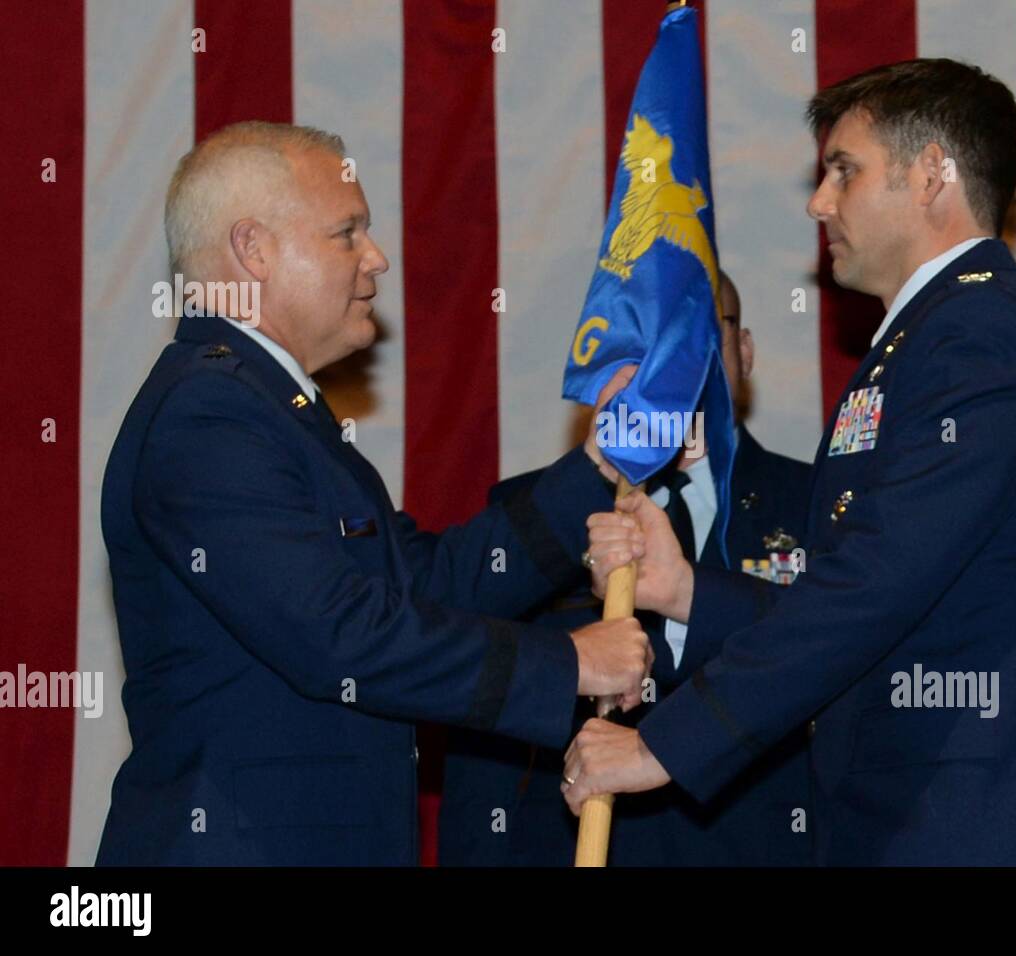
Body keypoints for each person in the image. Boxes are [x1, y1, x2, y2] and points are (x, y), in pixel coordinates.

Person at [563, 59, 1016, 865]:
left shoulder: (984, 334)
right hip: (911, 815)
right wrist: (690, 591)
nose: (819, 202)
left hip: (979, 822)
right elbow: (893, 605)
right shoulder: (929, 339)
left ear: (932, 174)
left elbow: (880, 580)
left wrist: (664, 745)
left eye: (845, 171)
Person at [96, 121, 651, 866]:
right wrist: (569, 664)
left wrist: (599, 464)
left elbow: (430, 585)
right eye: (346, 232)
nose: (376, 259)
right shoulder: (211, 412)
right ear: (253, 250)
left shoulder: (272, 409)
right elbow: (336, 634)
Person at [439, 273, 814, 866]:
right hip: (579, 845)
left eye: (698, 329)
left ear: (743, 351)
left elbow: (835, 677)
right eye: (650, 336)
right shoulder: (537, 516)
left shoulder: (817, 504)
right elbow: (474, 699)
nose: (675, 354)